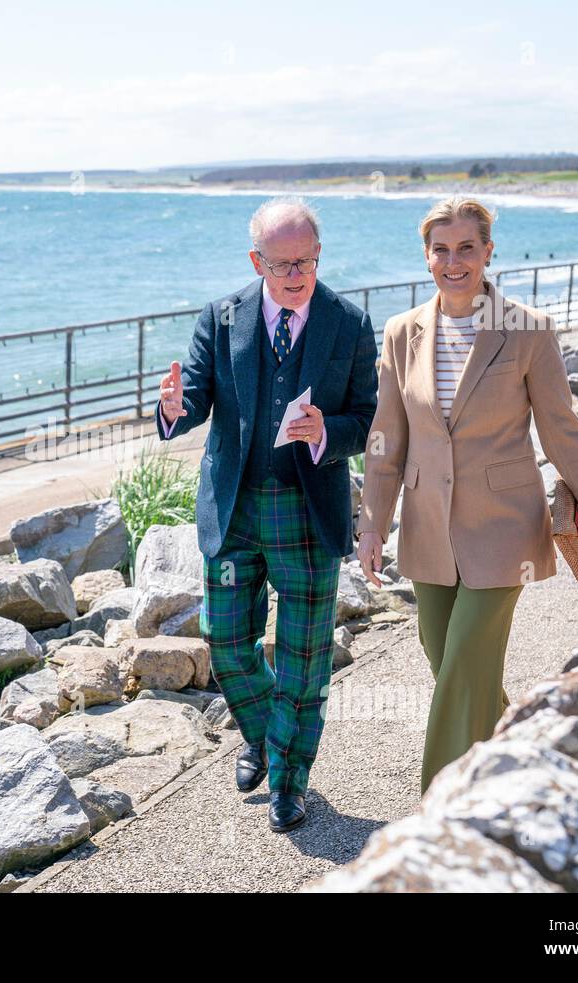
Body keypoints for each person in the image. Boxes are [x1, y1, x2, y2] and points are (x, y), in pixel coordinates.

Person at [355, 196, 578, 795]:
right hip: (426, 528)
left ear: (488, 252)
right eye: (441, 249)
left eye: (466, 247)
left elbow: (561, 430)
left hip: (504, 528)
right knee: (446, 657)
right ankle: (524, 758)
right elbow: (386, 438)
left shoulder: (529, 331)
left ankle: (441, 811)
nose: (454, 261)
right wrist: (372, 525)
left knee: (464, 663)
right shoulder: (400, 333)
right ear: (426, 257)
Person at [157, 195, 378, 832]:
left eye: (306, 261)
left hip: (308, 513)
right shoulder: (221, 318)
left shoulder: (349, 323)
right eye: (282, 264)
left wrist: (325, 431)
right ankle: (262, 737)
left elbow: (368, 420)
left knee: (306, 660)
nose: (295, 275)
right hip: (234, 510)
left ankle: (289, 782)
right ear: (257, 260)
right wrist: (173, 406)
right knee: (226, 643)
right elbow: (193, 401)